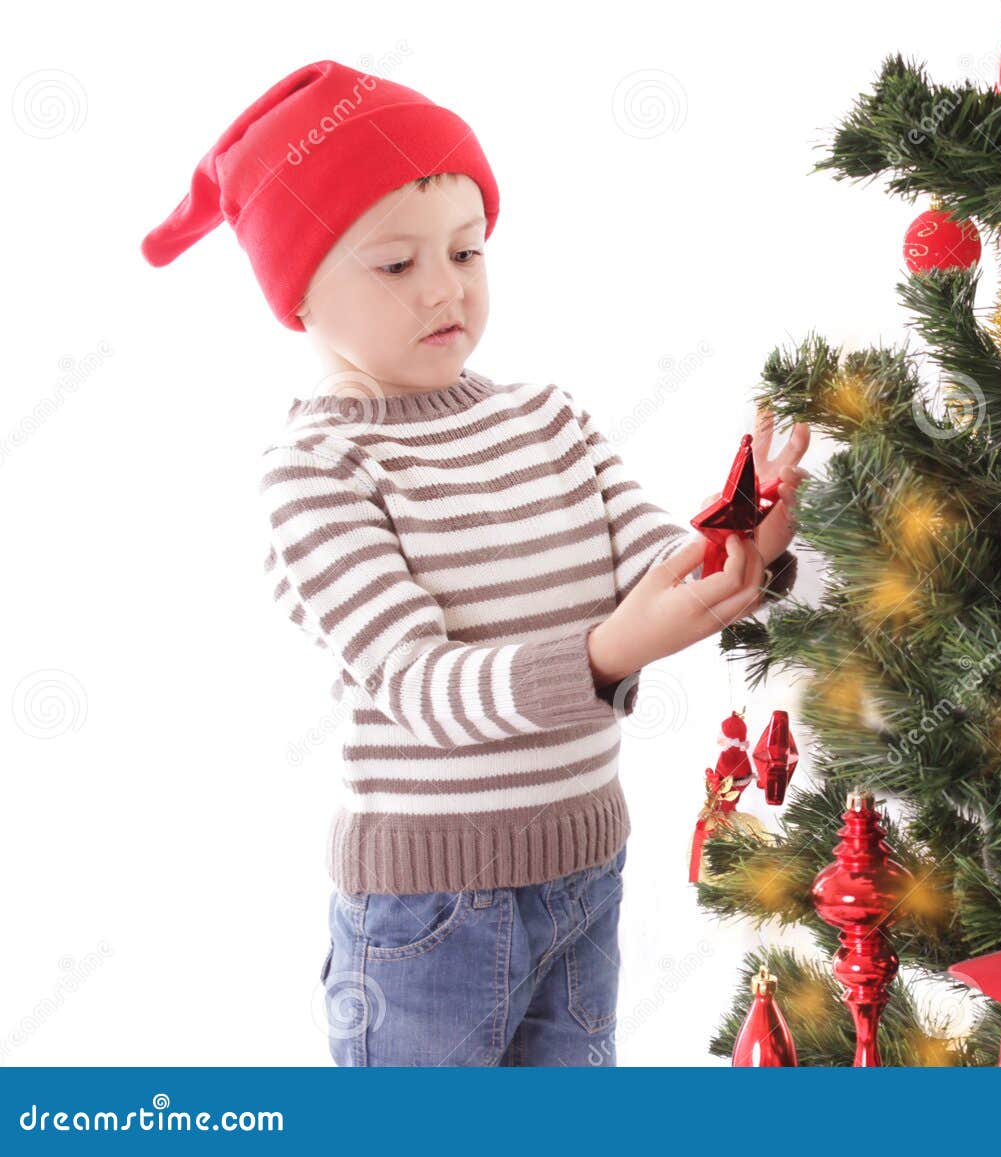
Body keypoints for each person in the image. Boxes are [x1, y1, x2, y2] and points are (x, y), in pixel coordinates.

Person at [140, 60, 809, 1066]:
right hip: (428, 916)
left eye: (467, 249)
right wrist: (606, 649)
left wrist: (744, 536)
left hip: (586, 865)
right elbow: (421, 686)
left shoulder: (546, 416)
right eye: (397, 265)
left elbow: (652, 559)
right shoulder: (319, 467)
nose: (447, 286)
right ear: (298, 293)